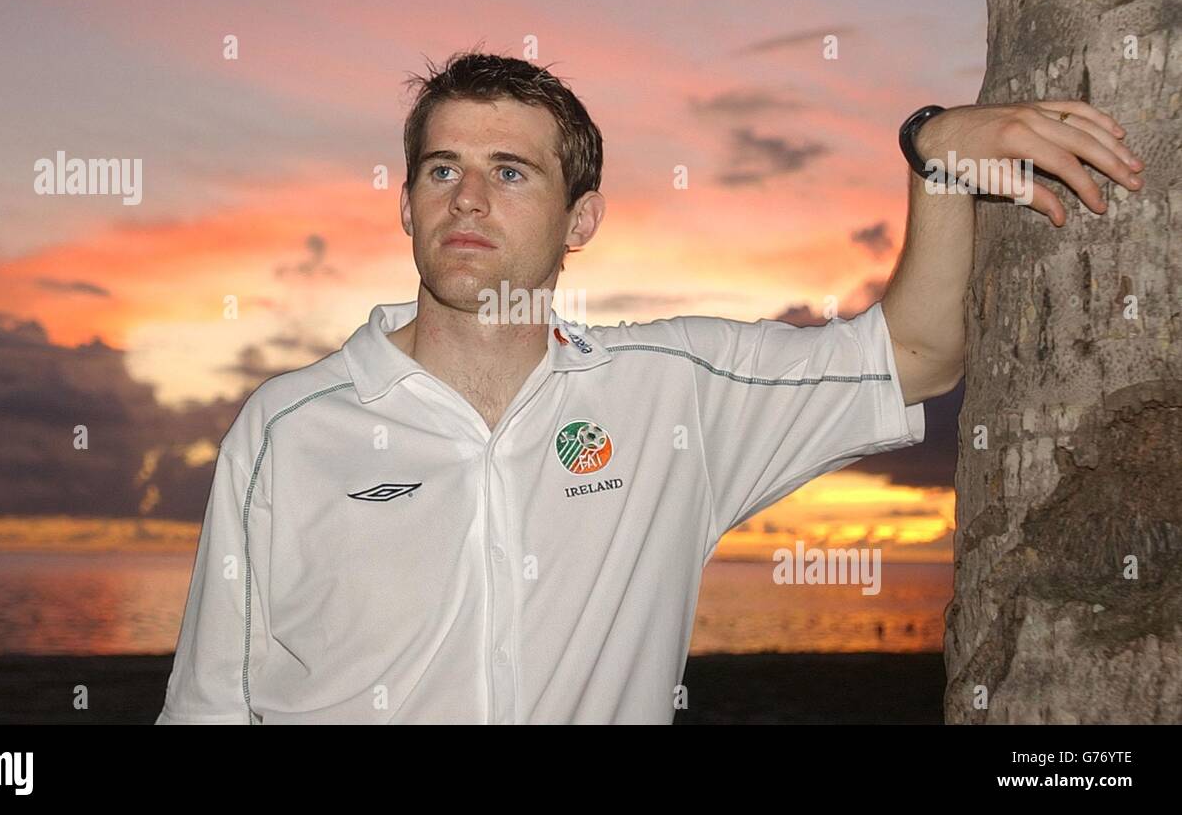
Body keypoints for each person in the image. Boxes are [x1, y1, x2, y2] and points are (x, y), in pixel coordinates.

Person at [154, 51, 1142, 724]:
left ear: (580, 221)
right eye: (441, 167)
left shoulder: (671, 395)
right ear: (405, 202)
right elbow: (208, 704)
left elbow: (915, 353)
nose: (466, 196)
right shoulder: (289, 427)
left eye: (510, 171)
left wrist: (935, 154)